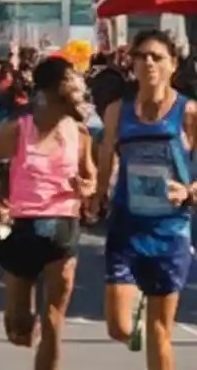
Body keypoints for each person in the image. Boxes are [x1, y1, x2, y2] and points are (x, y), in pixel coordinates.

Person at [0, 55, 96, 369]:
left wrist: (84, 189)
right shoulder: (17, 129)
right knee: (18, 328)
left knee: (53, 322)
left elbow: (91, 178)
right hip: (21, 226)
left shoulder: (80, 133)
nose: (77, 88)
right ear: (46, 92)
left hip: (63, 227)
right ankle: (18, 314)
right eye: (69, 81)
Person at [93, 29, 197, 369]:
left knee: (159, 331)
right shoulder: (116, 111)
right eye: (141, 56)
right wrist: (95, 195)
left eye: (157, 57)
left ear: (173, 65)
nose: (148, 63)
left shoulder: (188, 112)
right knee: (118, 327)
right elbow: (107, 157)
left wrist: (190, 190)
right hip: (127, 224)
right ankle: (133, 312)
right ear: (131, 64)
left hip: (170, 228)